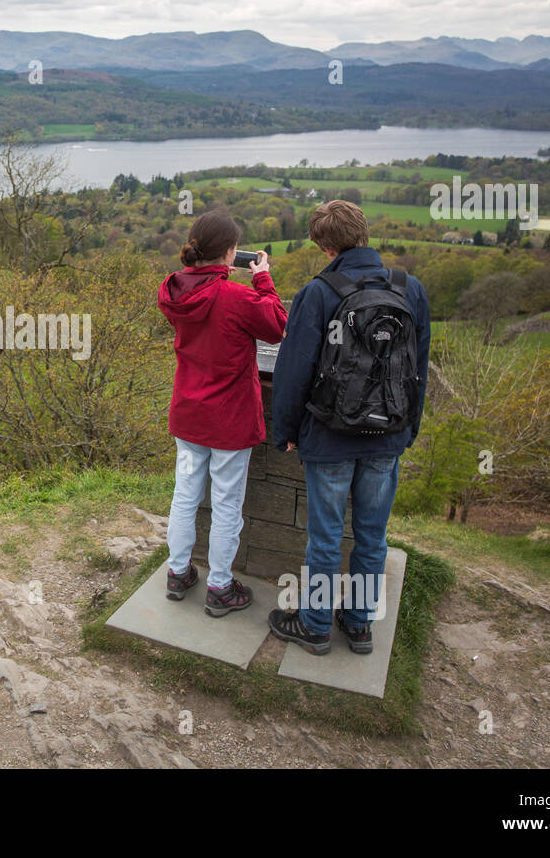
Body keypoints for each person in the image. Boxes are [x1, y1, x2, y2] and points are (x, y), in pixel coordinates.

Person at [269, 200, 430, 654]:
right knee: (373, 537)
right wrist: (409, 427)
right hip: (387, 435)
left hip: (330, 435)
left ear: (323, 245)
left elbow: (293, 370)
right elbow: (420, 366)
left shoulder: (319, 293)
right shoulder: (409, 288)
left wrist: (285, 430)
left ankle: (316, 626)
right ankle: (359, 625)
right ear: (363, 232)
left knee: (324, 539)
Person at [157, 209, 288, 617]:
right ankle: (219, 586)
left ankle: (178, 573)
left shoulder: (173, 290)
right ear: (231, 253)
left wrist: (226, 274)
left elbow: (207, 305)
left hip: (188, 411)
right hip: (229, 418)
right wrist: (262, 278)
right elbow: (277, 326)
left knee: (185, 495)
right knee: (227, 503)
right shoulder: (235, 297)